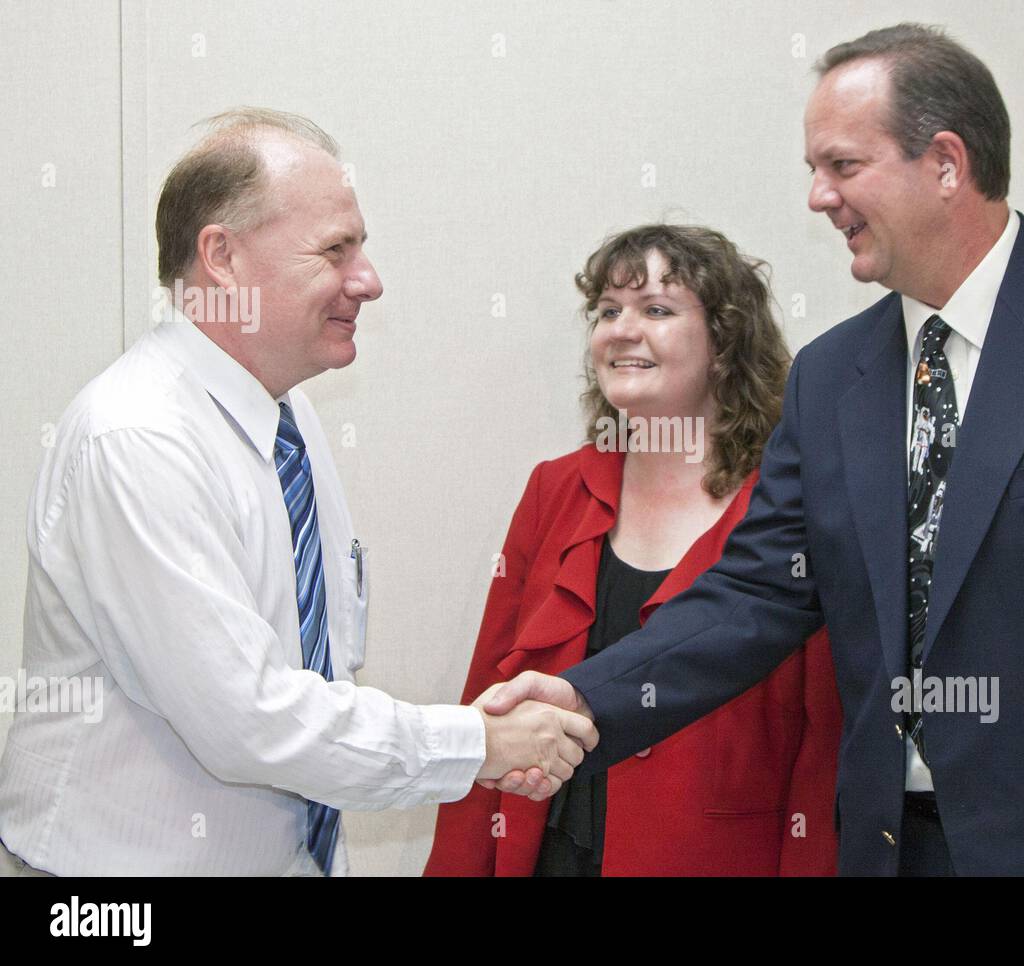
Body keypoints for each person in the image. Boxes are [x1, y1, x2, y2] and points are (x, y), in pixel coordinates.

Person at [483, 24, 1024, 876]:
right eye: (812, 171)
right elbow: (754, 596)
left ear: (945, 163)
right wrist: (582, 697)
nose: (818, 198)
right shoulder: (833, 377)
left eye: (842, 166)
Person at [0, 108, 595, 876]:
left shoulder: (288, 415)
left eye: (363, 249)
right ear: (223, 256)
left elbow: (317, 672)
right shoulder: (138, 438)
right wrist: (476, 743)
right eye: (334, 251)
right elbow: (247, 720)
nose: (368, 281)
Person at [425, 225, 840, 876]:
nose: (621, 329)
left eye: (657, 310)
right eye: (608, 310)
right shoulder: (555, 491)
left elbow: (822, 750)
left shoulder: (789, 511)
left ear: (725, 344)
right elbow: (489, 700)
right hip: (551, 852)